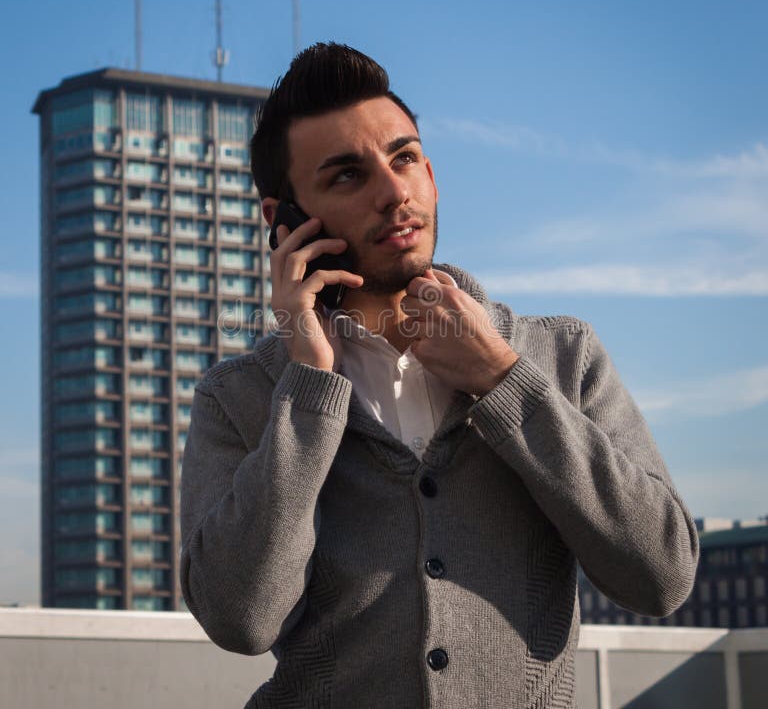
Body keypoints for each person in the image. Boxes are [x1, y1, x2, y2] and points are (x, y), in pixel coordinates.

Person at [180, 43, 698, 708]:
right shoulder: (239, 396)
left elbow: (661, 575)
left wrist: (504, 380)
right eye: (347, 176)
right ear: (282, 222)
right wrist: (309, 385)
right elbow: (240, 620)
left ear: (429, 169)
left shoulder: (563, 355)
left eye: (403, 159)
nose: (394, 192)